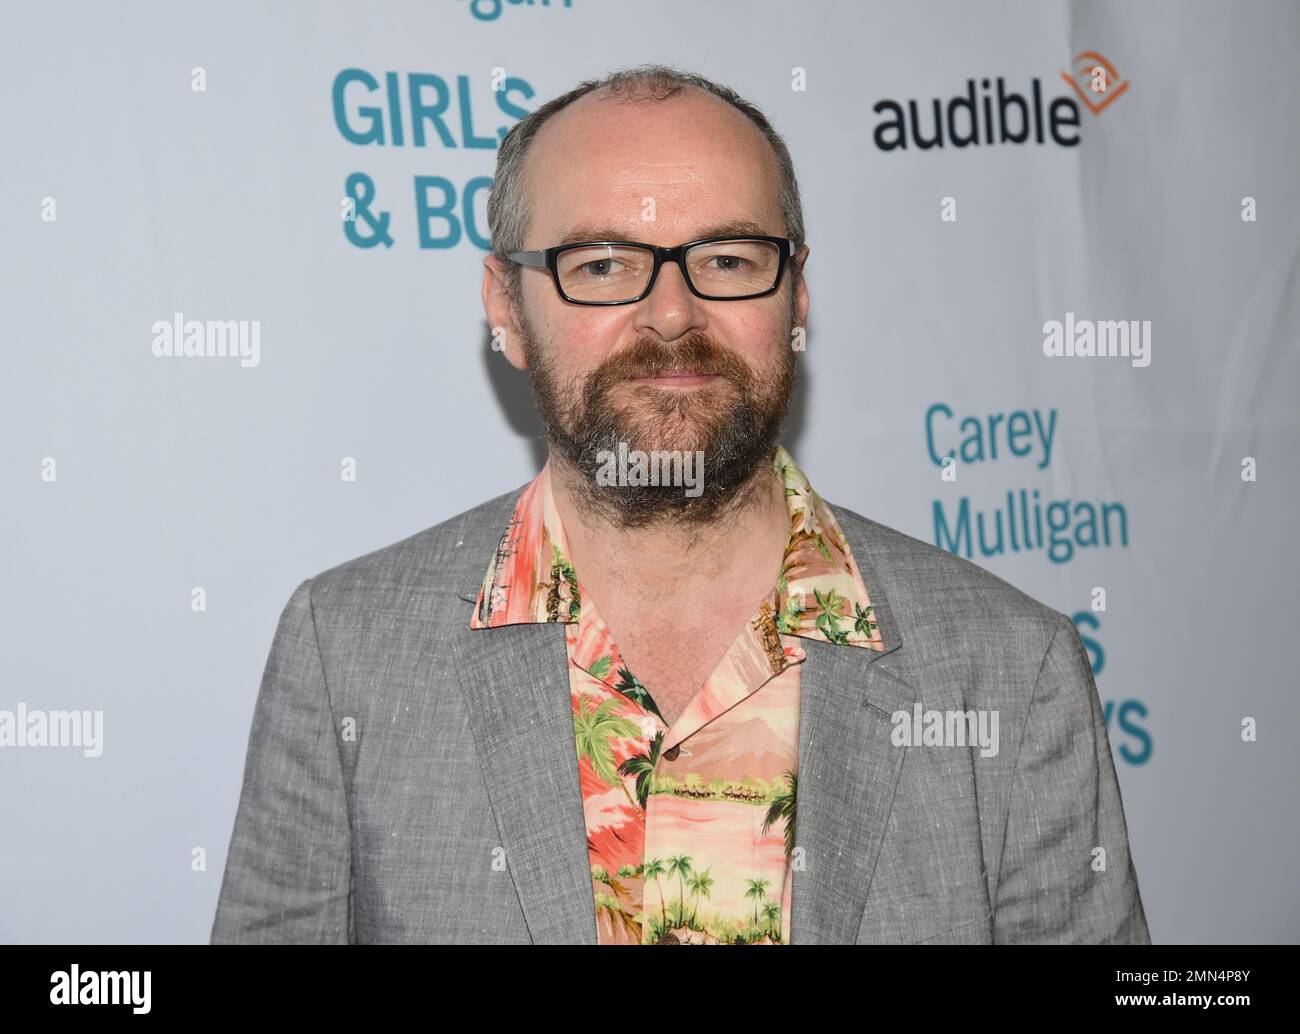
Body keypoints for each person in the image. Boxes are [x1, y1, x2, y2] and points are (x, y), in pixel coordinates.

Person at [211, 64, 1149, 945]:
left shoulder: (1012, 672)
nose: (670, 315)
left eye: (730, 259)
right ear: (505, 306)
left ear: (798, 294)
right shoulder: (348, 653)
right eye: (605, 263)